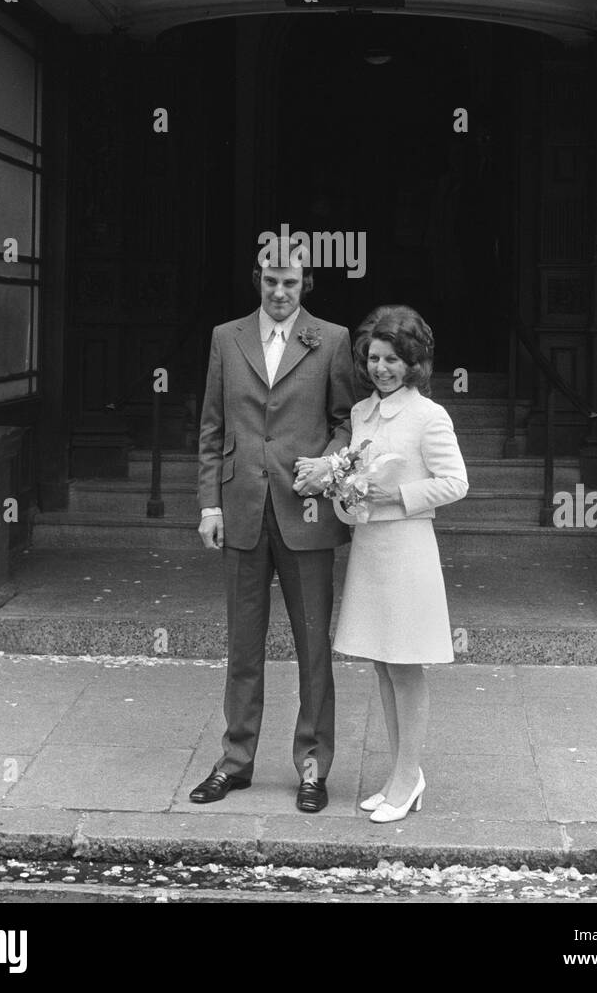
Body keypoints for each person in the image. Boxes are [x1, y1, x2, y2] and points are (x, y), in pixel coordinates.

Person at [190, 248, 355, 813]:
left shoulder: (331, 339)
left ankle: (313, 767)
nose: (279, 292)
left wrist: (329, 465)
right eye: (269, 280)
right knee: (243, 645)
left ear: (305, 283)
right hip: (240, 507)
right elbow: (212, 428)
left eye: (289, 282)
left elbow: (346, 421)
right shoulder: (225, 336)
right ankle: (235, 763)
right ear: (256, 279)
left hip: (304, 511)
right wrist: (209, 505)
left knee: (313, 646)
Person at [331, 305, 468, 823]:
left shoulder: (429, 416)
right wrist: (346, 495)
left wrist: (396, 494)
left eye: (392, 359)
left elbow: (456, 482)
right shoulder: (361, 413)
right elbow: (356, 478)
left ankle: (409, 776)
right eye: (374, 357)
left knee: (406, 666)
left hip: (408, 549)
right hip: (370, 549)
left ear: (413, 363)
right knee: (383, 664)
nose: (382, 367)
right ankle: (398, 774)